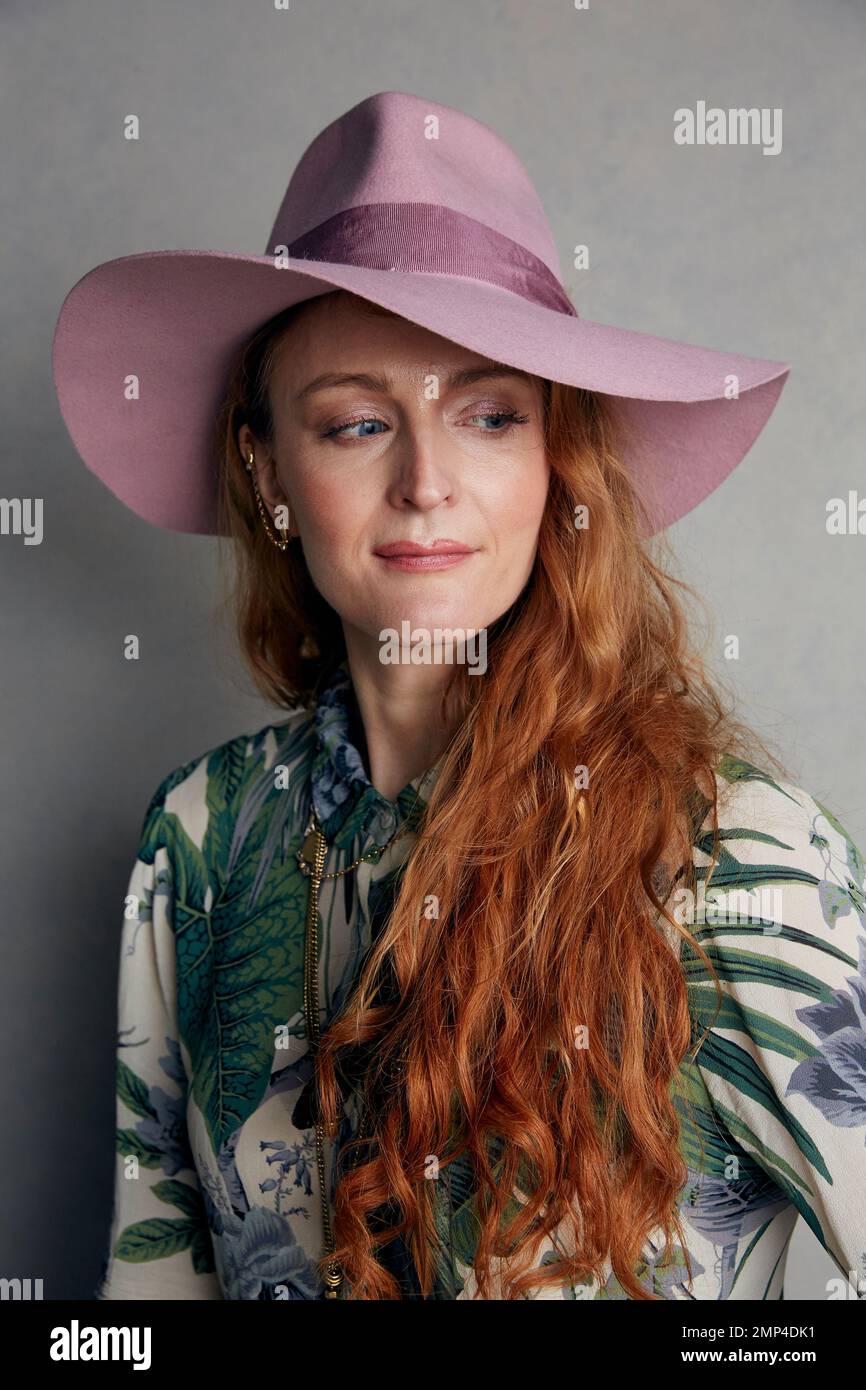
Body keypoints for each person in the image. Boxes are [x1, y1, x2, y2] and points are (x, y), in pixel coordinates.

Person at [52, 91, 865, 1301]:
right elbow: (144, 1308)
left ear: (555, 460)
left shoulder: (733, 854)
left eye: (488, 416)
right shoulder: (201, 839)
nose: (427, 482)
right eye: (356, 422)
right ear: (264, 466)